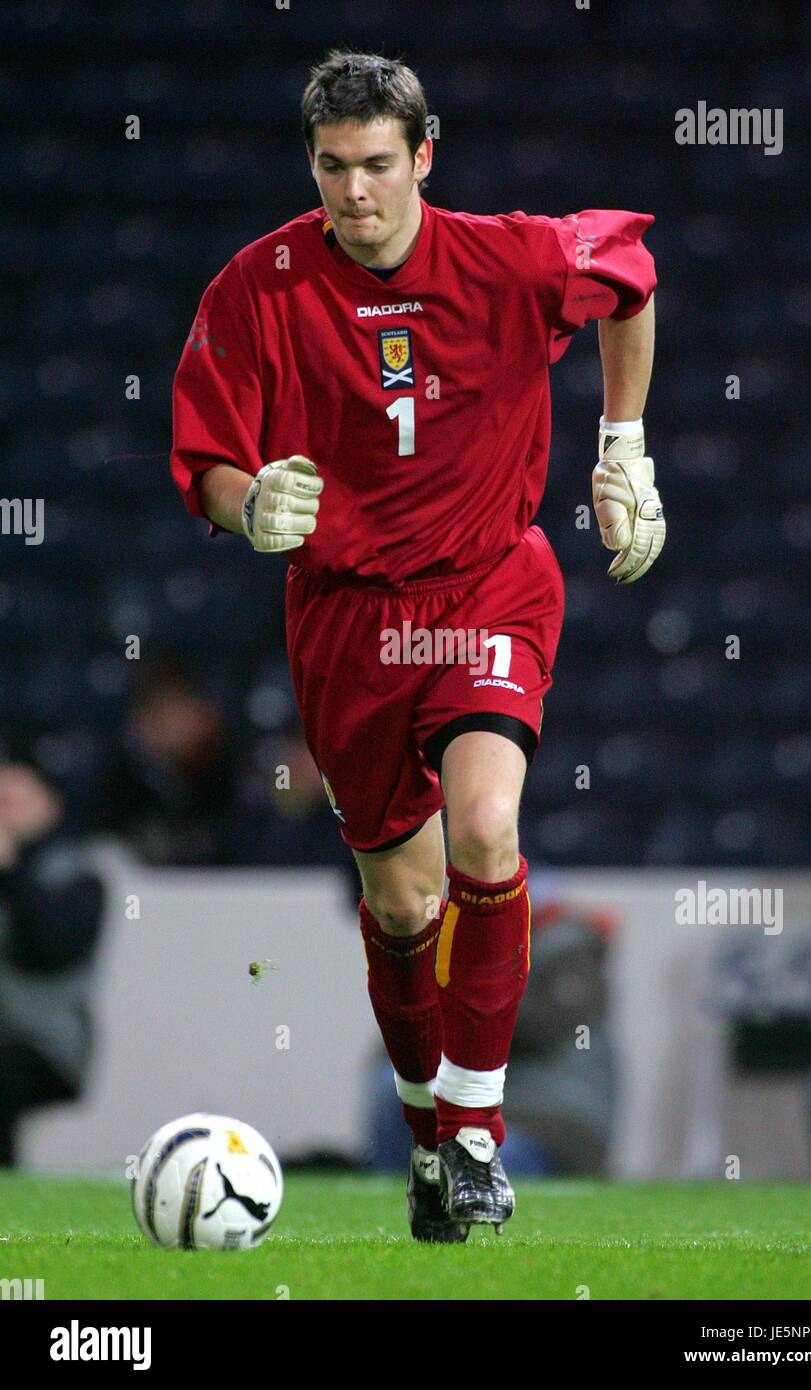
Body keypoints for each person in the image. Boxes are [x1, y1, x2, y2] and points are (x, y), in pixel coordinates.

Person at [170, 49, 662, 1241]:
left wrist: (624, 444)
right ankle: (427, 1136)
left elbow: (633, 273)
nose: (355, 193)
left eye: (378, 165)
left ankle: (477, 1135)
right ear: (312, 164)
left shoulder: (512, 256)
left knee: (486, 826)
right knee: (402, 906)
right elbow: (203, 455)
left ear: (422, 157)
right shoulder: (260, 284)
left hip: (489, 584)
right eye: (333, 168)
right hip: (347, 617)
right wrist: (250, 507)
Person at [0, 761, 104, 1166]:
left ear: (49, 807)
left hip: (47, 1043)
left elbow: (50, 949)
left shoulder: (79, 878)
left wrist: (12, 873)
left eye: (13, 801)